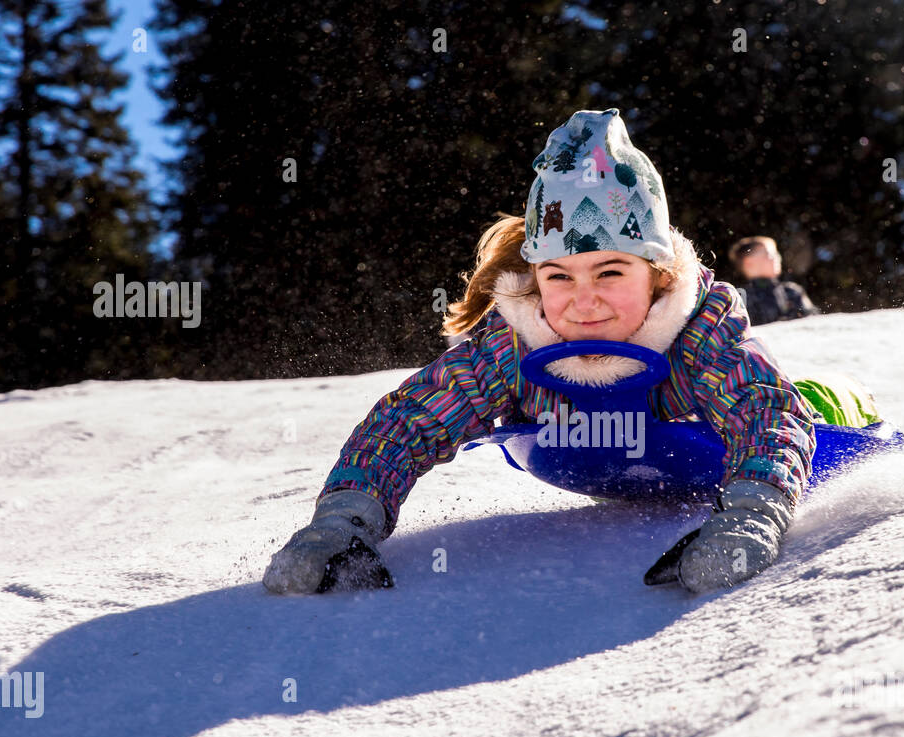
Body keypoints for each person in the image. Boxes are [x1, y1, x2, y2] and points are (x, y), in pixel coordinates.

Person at [263, 108, 833, 596]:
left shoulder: (700, 323)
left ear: (659, 276)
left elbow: (765, 409)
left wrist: (753, 516)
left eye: (610, 271)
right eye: (559, 276)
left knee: (823, 401)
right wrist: (341, 523)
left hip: (733, 439)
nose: (584, 302)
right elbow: (410, 421)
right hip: (595, 455)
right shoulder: (513, 340)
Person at [728, 236, 821, 325]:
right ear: (749, 263)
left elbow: (813, 322)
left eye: (776, 253)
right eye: (770, 254)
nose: (778, 258)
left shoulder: (791, 291)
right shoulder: (740, 298)